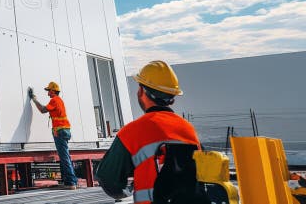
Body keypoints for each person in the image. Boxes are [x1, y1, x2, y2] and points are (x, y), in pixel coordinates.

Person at [96, 60, 200, 204]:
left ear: (141, 91)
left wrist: (127, 193)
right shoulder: (189, 130)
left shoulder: (132, 131)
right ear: (172, 99)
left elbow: (108, 178)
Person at [29, 81, 77, 189]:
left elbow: (42, 110)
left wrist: (34, 99)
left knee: (64, 157)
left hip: (60, 131)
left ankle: (71, 183)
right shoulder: (59, 100)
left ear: (53, 91)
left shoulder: (54, 100)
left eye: (49, 91)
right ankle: (70, 181)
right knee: (66, 156)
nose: (47, 93)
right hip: (64, 130)